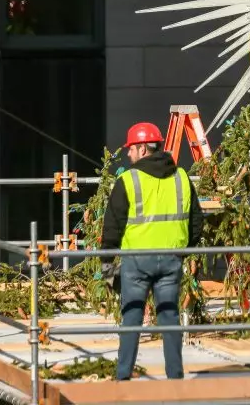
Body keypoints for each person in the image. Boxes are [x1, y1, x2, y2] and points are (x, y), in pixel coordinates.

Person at [101, 122, 204, 381]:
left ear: (144, 149)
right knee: (169, 319)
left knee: (132, 319)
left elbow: (112, 224)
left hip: (136, 261)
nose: (128, 154)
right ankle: (175, 376)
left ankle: (123, 376)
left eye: (131, 149)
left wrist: (106, 262)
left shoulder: (128, 179)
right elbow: (196, 222)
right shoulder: (181, 177)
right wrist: (183, 250)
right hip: (171, 259)